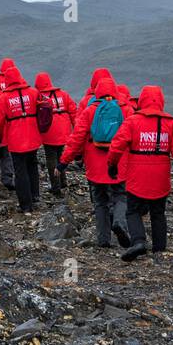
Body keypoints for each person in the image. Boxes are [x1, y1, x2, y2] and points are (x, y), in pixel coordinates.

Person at [107, 85, 173, 260]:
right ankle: (159, 249)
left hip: (137, 175)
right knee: (158, 212)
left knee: (133, 210)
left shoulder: (133, 121)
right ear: (161, 101)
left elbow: (117, 144)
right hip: (160, 176)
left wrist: (112, 164)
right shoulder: (171, 124)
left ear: (142, 101)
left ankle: (139, 241)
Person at [58, 75, 131, 248]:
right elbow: (132, 137)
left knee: (100, 201)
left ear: (96, 92)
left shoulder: (90, 111)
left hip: (95, 164)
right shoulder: (126, 110)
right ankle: (119, 221)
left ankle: (103, 239)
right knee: (120, 195)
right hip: (118, 163)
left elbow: (77, 137)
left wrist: (64, 161)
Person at [0, 65, 43, 214]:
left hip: (16, 139)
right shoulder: (33, 92)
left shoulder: (3, 99)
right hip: (33, 136)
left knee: (20, 172)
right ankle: (35, 195)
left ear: (7, 80)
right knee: (32, 166)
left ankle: (26, 205)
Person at [35, 72, 76, 196]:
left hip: (49, 133)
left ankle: (55, 187)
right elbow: (74, 111)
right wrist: (77, 129)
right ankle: (63, 181)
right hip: (64, 131)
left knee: (51, 159)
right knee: (61, 156)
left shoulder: (39, 97)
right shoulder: (64, 94)